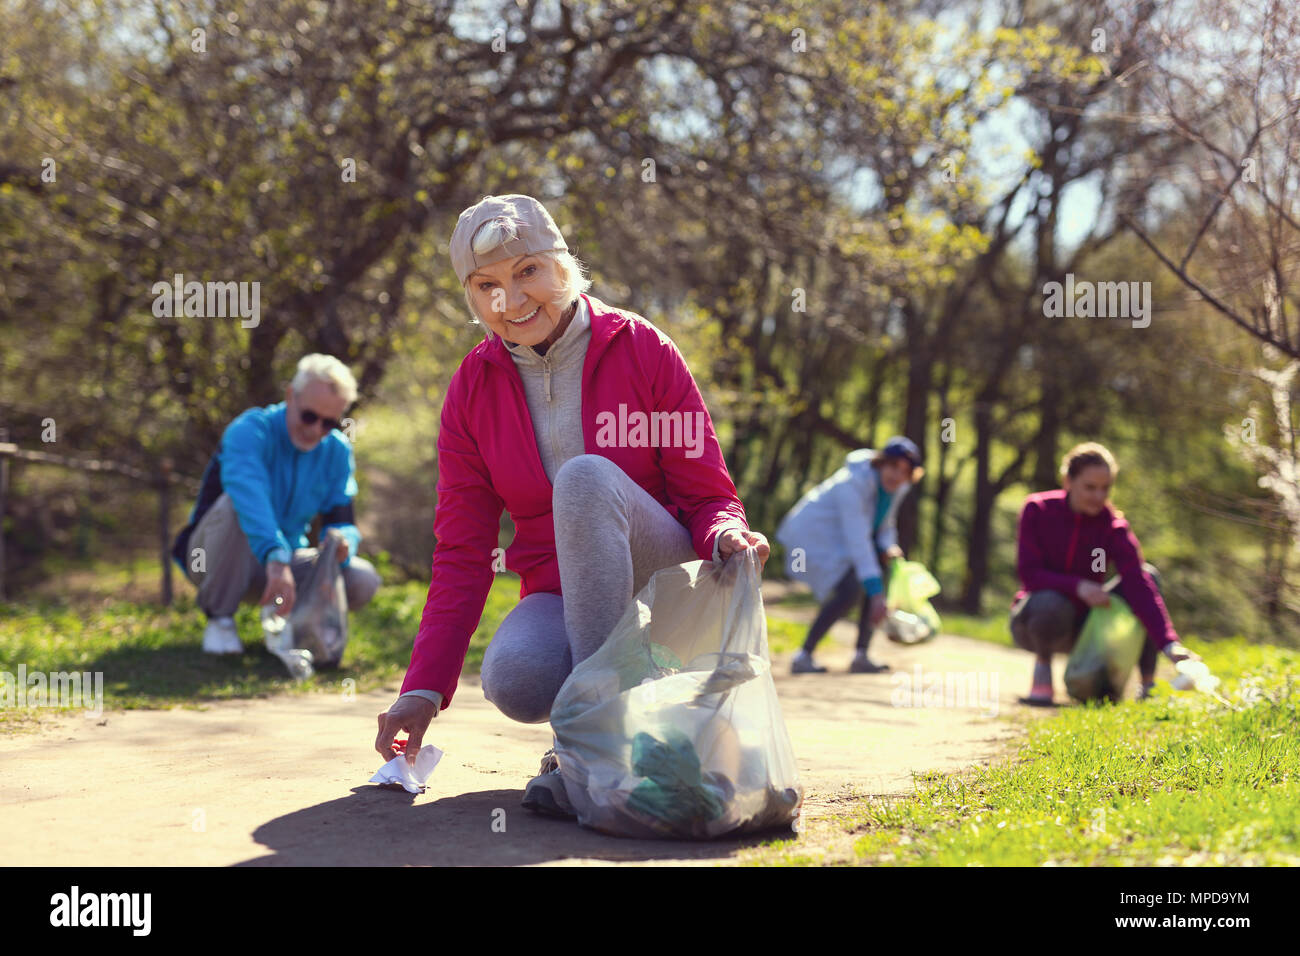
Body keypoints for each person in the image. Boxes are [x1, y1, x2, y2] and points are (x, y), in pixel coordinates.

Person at [373, 193, 770, 818]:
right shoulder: (471, 390)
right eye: (488, 285)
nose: (512, 298)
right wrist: (422, 689)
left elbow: (707, 494)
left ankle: (590, 749)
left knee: (584, 479)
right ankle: (613, 732)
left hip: (663, 587)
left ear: (562, 264)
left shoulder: (642, 348)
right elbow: (462, 552)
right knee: (517, 676)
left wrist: (726, 531)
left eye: (527, 270)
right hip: (564, 592)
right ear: (473, 299)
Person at [171, 354, 381, 654]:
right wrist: (275, 556)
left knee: (362, 579)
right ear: (290, 396)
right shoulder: (250, 430)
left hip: (283, 566)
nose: (316, 430)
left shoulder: (336, 450)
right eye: (309, 416)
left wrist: (342, 543)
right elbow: (249, 495)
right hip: (213, 558)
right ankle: (220, 620)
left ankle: (298, 626)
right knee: (236, 506)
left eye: (329, 422)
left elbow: (342, 518)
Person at [1011, 442, 1197, 705]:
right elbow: (1029, 574)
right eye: (1090, 487)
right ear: (1068, 480)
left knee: (1148, 576)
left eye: (1105, 488)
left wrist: (1170, 645)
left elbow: (1137, 583)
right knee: (1051, 602)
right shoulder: (1038, 510)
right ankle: (1042, 670)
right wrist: (1078, 586)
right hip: (1036, 620)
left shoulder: (1112, 527)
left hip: (1088, 625)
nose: (1099, 496)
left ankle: (1147, 686)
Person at [775, 438, 923, 674]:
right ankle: (803, 655)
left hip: (846, 540)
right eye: (894, 466)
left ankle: (861, 655)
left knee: (876, 573)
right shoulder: (852, 484)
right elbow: (857, 538)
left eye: (905, 471)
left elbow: (885, 523)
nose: (897, 475)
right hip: (815, 537)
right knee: (851, 590)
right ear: (881, 463)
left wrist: (888, 546)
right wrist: (876, 594)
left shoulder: (897, 489)